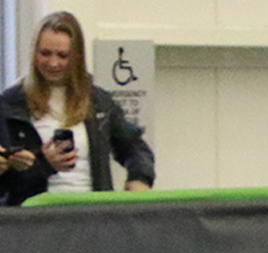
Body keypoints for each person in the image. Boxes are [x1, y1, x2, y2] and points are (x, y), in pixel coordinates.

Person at [0, 11, 153, 206]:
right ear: (34, 53)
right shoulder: (10, 104)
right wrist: (45, 164)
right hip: (33, 219)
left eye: (63, 56)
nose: (53, 63)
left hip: (92, 215)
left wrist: (139, 177)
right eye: (45, 53)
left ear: (77, 57)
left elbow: (134, 146)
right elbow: (8, 188)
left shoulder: (99, 101)